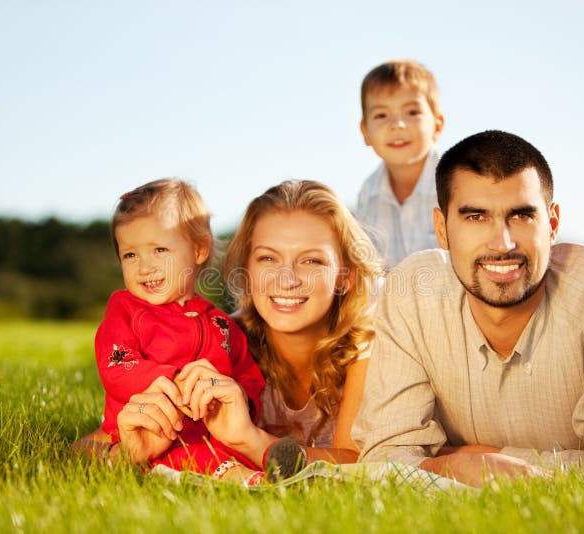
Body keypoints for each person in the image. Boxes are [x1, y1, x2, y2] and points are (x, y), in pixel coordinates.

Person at [352, 130, 584, 487]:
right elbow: (386, 454)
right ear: (442, 229)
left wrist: (467, 459)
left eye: (521, 216)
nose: (502, 244)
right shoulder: (411, 291)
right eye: (476, 217)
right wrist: (458, 464)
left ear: (553, 224)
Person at [114, 180, 381, 478]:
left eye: (311, 260)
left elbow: (357, 464)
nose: (286, 279)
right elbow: (90, 446)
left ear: (346, 277)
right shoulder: (221, 339)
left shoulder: (367, 348)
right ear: (247, 270)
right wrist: (127, 453)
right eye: (268, 258)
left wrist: (250, 440)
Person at [79, 178, 266, 485]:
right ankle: (248, 481)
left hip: (214, 433)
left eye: (159, 250)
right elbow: (117, 364)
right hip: (151, 433)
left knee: (226, 450)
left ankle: (260, 468)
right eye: (130, 255)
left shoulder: (220, 323)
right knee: (197, 459)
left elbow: (249, 376)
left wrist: (240, 400)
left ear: (199, 249)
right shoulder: (125, 309)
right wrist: (175, 380)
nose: (144, 267)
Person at [356, 58, 445, 269]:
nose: (397, 124)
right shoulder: (368, 195)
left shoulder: (455, 185)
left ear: (437, 126)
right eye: (381, 115)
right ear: (365, 132)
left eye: (412, 112)